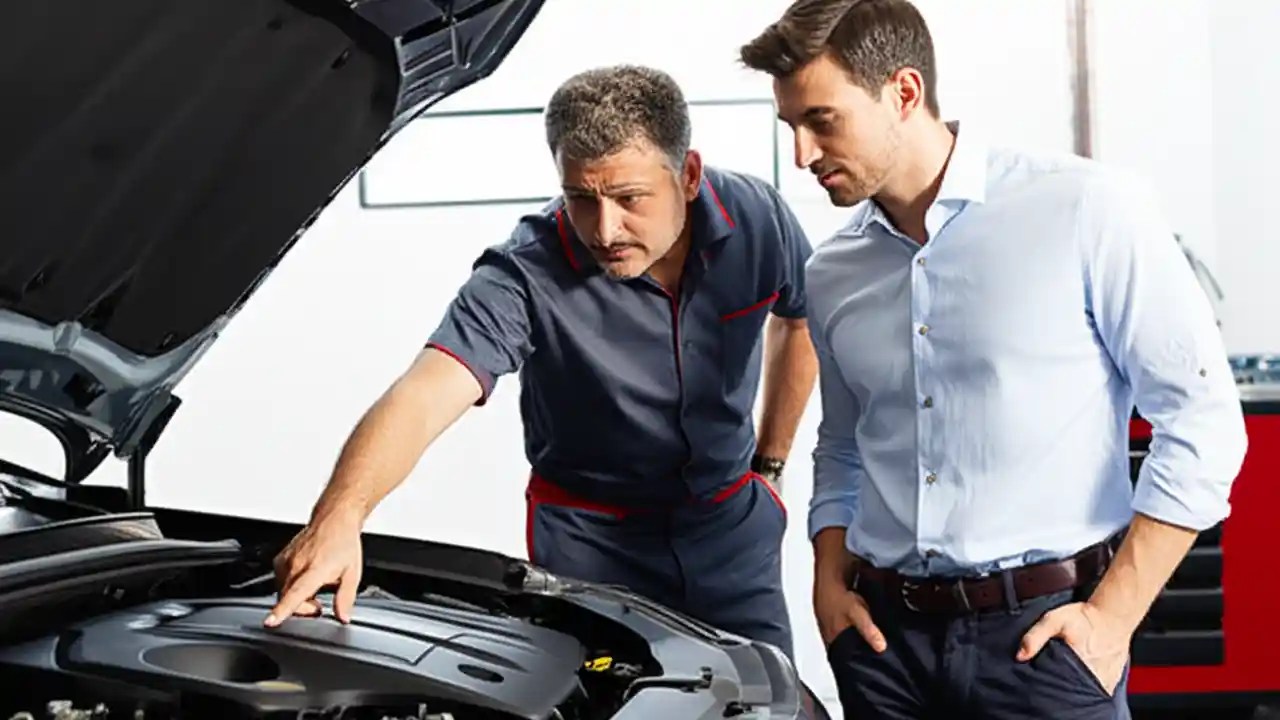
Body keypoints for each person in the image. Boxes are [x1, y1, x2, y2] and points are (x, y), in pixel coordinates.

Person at [740, 1, 1248, 718]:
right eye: (790, 125)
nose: (802, 154)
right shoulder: (831, 271)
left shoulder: (1086, 209)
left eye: (822, 120)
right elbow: (846, 444)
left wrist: (1111, 622)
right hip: (885, 652)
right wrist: (827, 582)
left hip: (1043, 648)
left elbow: (1203, 424)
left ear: (904, 92)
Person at [264, 64, 819, 660]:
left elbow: (801, 317)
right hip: (593, 544)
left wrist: (772, 461)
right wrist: (340, 515)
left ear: (686, 175)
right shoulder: (523, 272)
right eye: (581, 198)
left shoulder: (760, 219)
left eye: (630, 198)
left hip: (729, 526)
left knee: (770, 695)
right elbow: (425, 394)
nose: (604, 230)